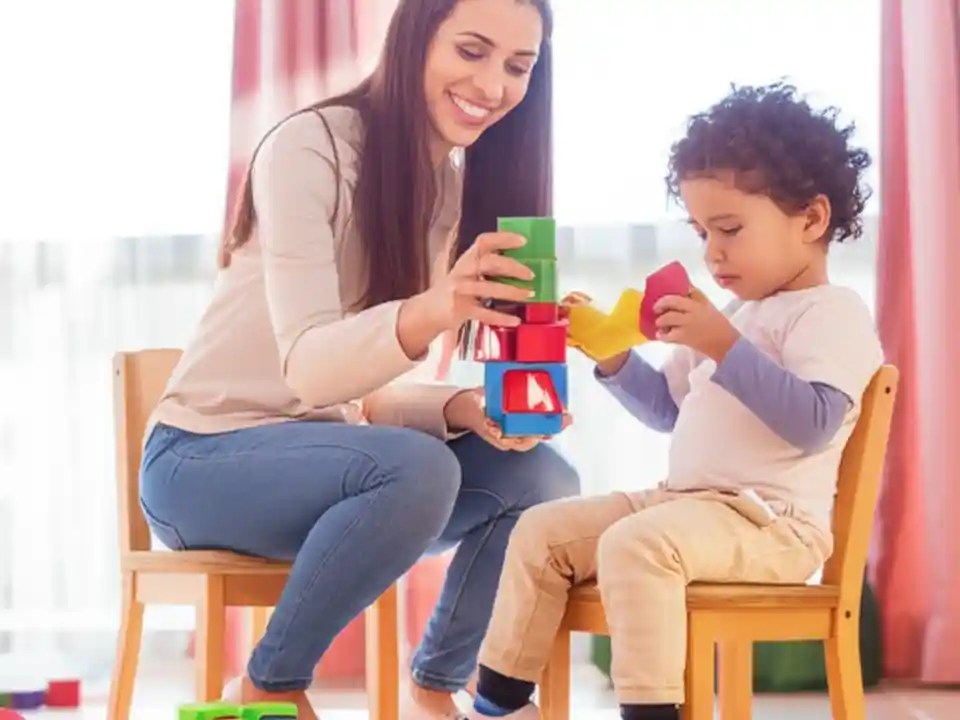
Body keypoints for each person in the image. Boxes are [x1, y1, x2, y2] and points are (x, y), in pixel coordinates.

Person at [139, 0, 577, 718]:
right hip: (201, 464)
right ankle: (269, 686)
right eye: (471, 50)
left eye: (518, 66)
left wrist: (462, 408)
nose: (493, 84)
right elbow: (311, 369)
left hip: (326, 466)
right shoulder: (312, 147)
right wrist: (440, 305)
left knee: (540, 476)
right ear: (414, 37)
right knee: (415, 466)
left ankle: (442, 683)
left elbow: (361, 398)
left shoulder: (448, 190)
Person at [467, 82, 885, 720]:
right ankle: (498, 706)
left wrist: (723, 344)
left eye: (730, 229)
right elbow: (667, 409)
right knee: (543, 530)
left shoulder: (832, 314)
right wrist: (610, 355)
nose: (712, 252)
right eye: (701, 231)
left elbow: (813, 425)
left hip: (773, 526)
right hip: (685, 506)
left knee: (636, 545)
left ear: (811, 218)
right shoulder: (733, 312)